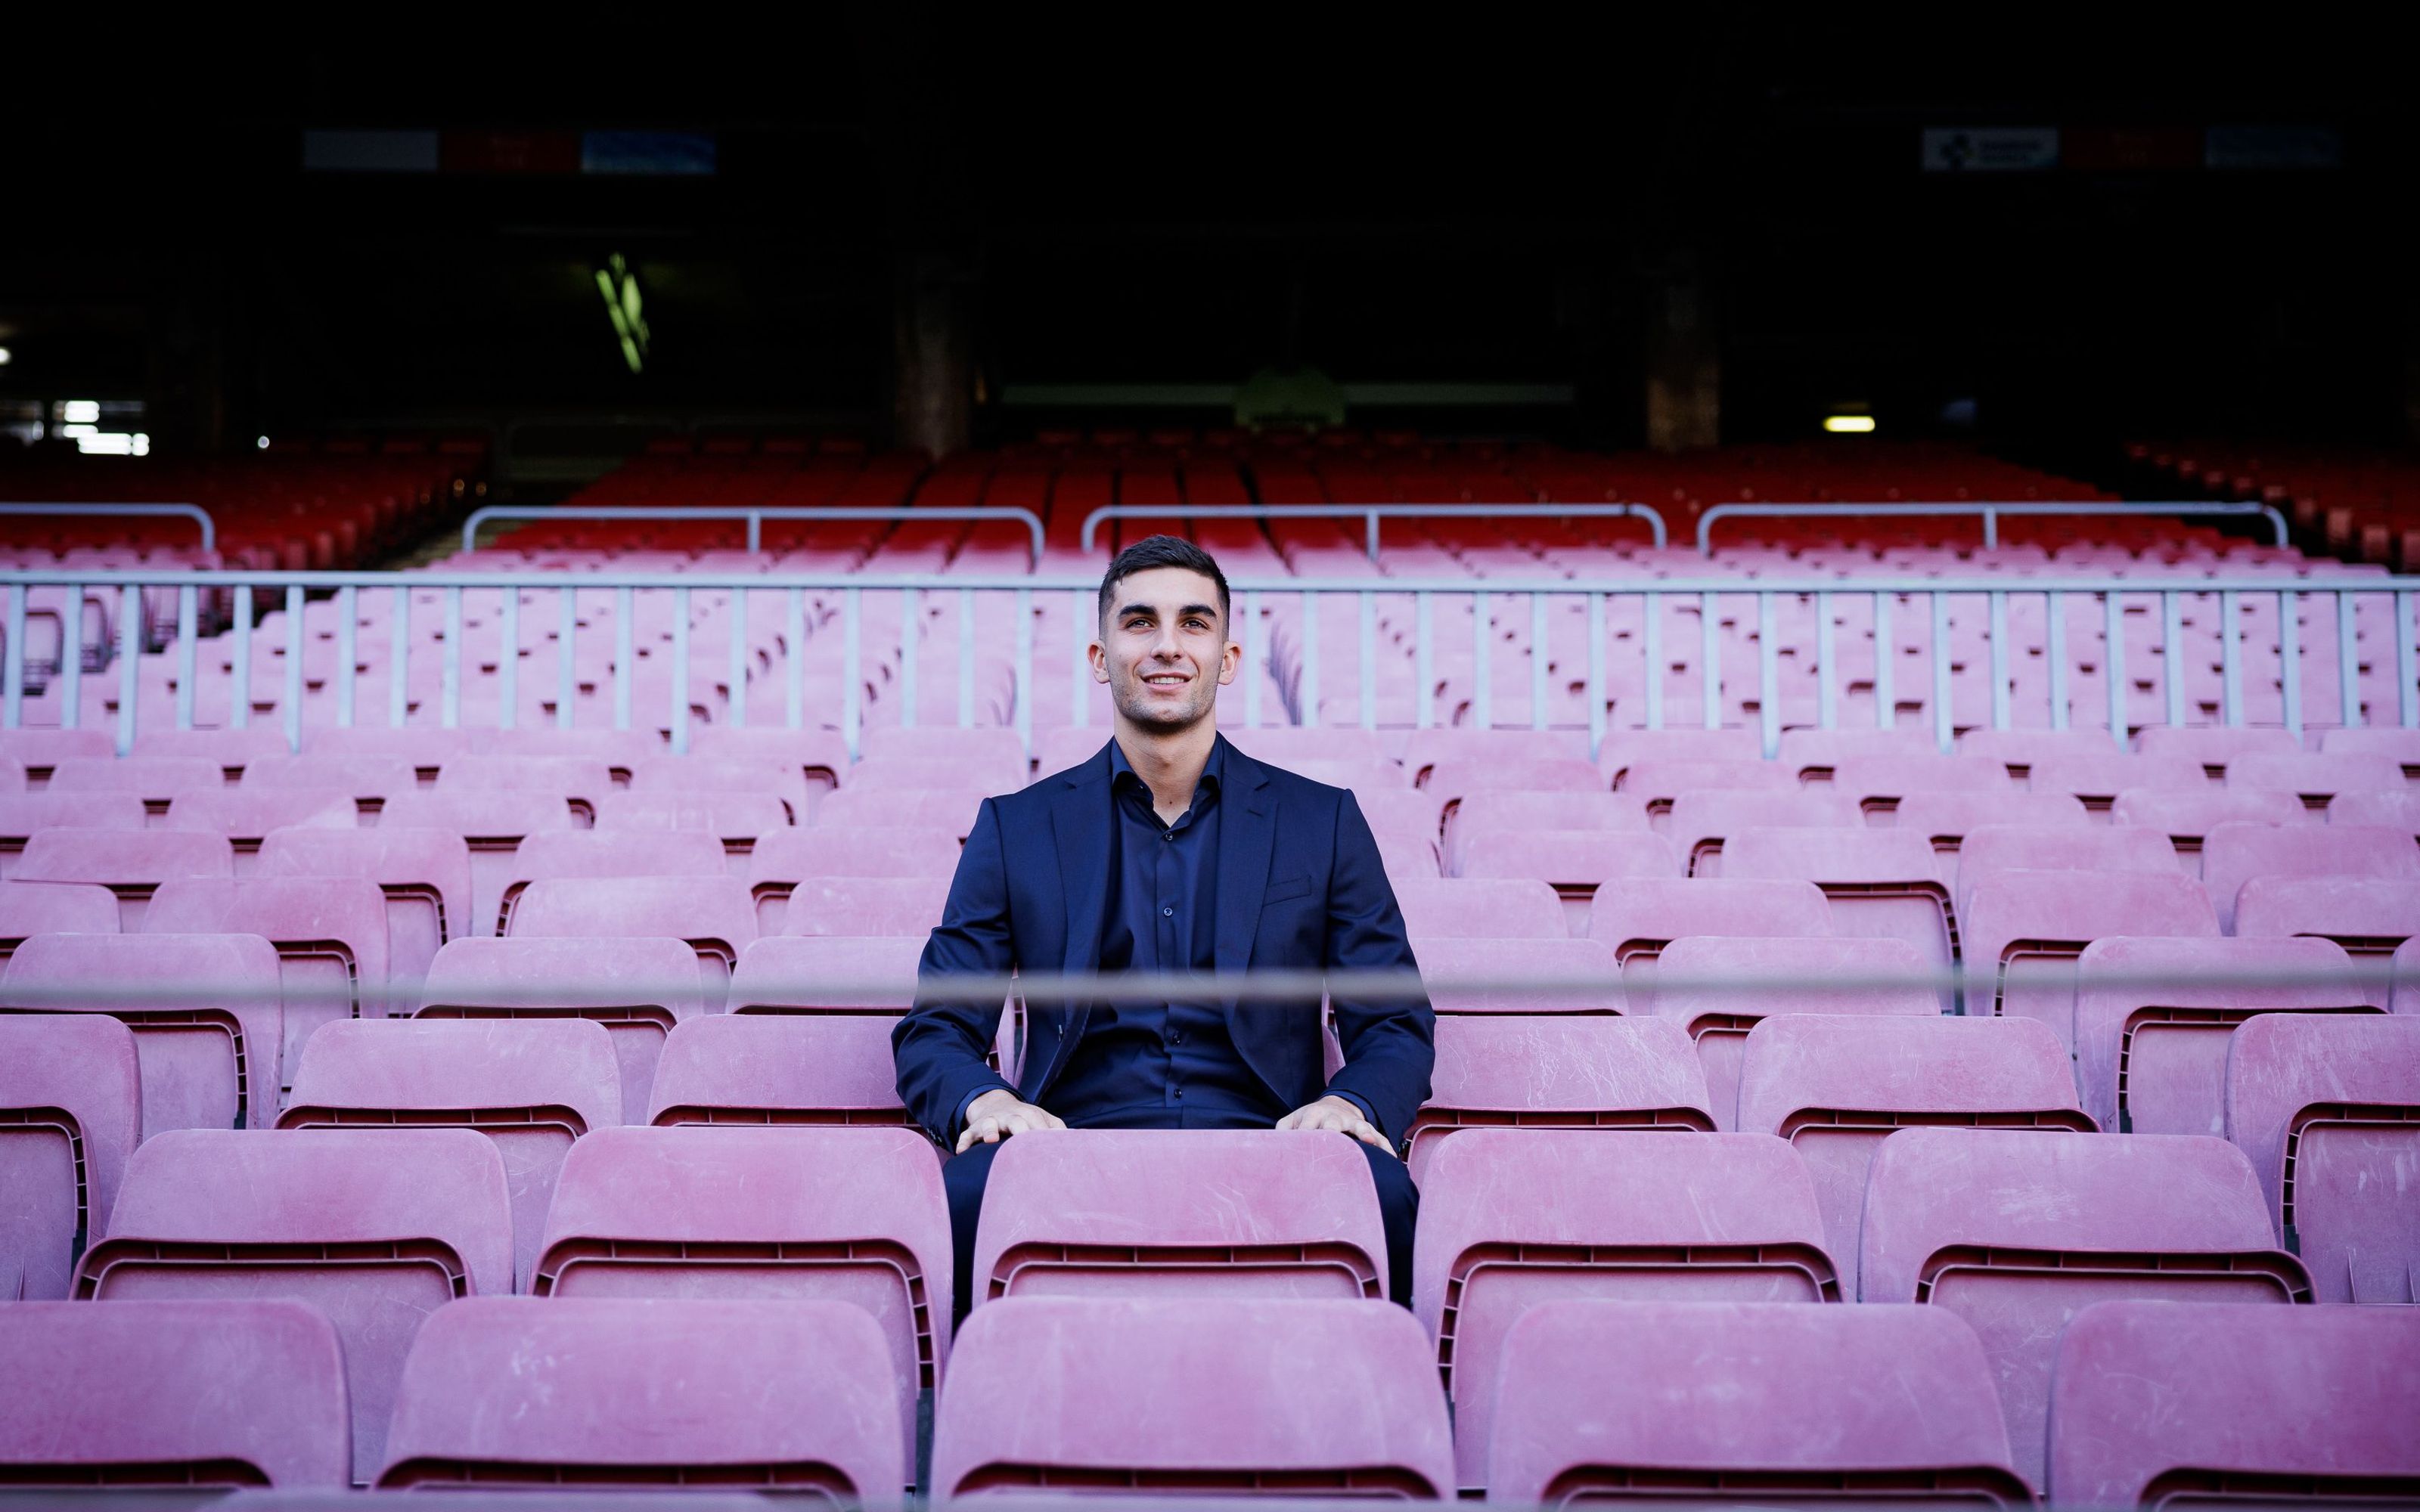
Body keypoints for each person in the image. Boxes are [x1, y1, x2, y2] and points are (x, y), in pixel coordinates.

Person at [892, 534, 1434, 1321]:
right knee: (964, 1194)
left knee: (1383, 1193)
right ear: (1099, 657)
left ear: (1228, 658)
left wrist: (1351, 1104)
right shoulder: (1016, 828)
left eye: (1194, 623)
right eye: (1140, 622)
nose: (1168, 645)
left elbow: (1393, 1022)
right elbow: (936, 1027)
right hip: (1068, 1140)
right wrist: (983, 1100)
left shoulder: (1321, 822)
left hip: (1273, 1136)